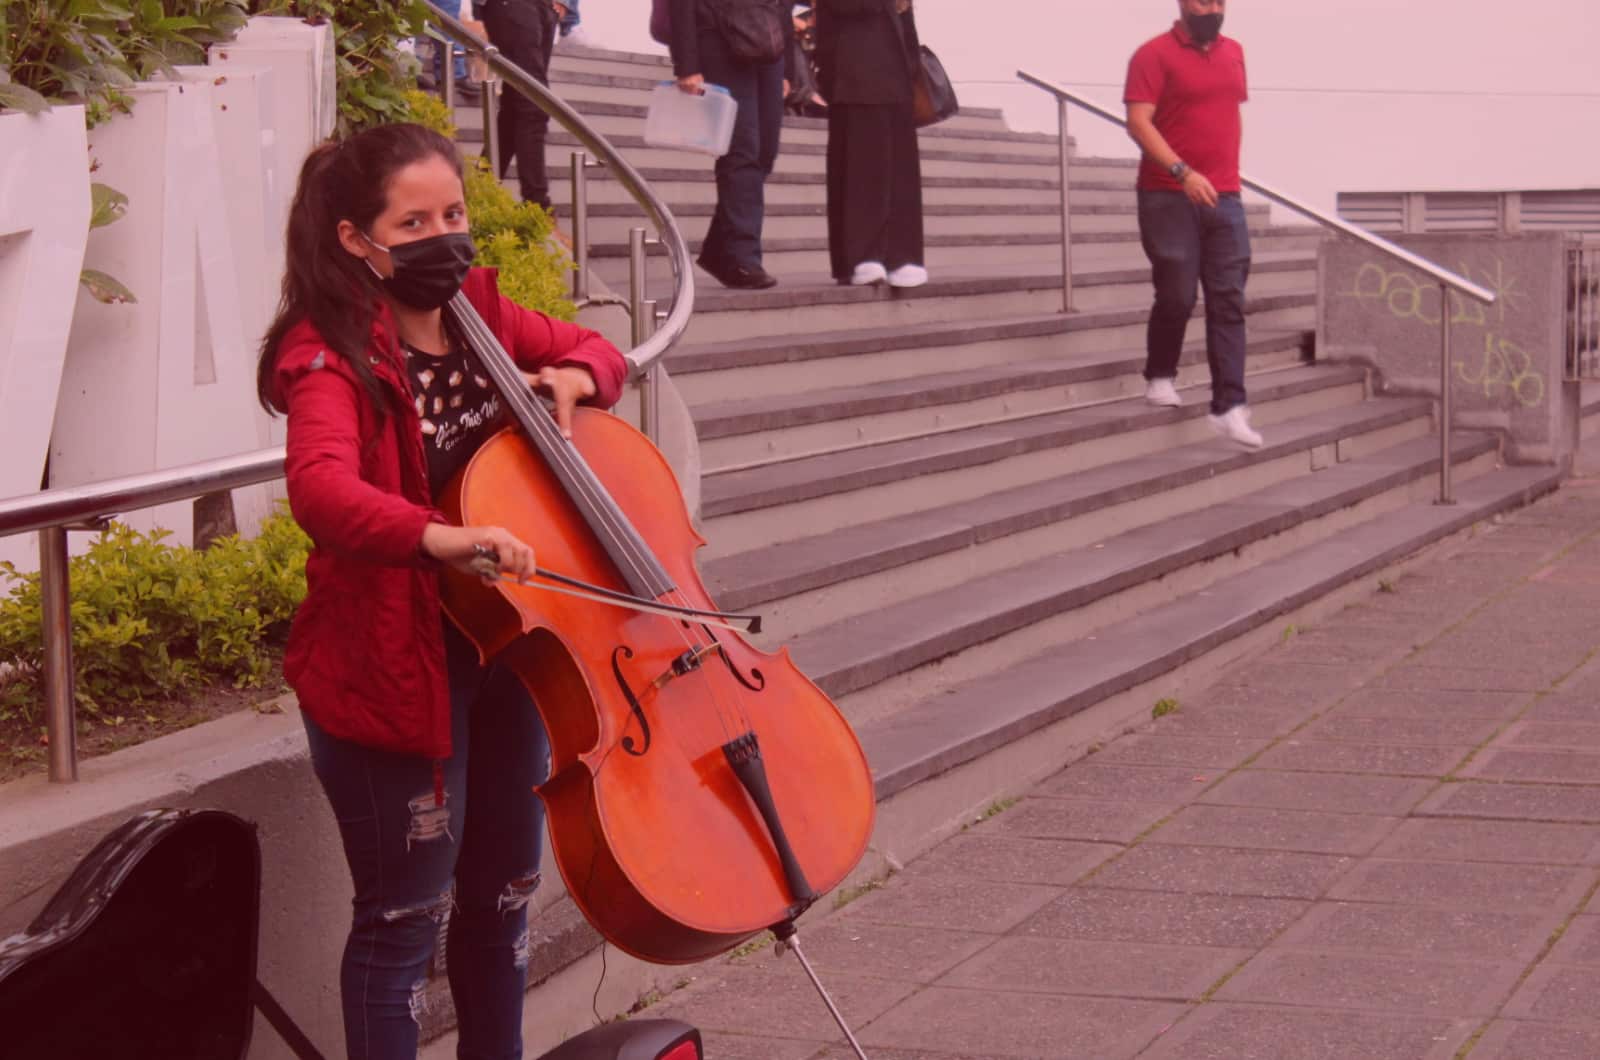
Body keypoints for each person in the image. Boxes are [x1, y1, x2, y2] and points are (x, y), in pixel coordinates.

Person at [255, 122, 627, 1059]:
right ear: (356, 240)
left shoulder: (483, 318)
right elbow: (324, 492)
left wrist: (577, 376)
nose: (444, 238)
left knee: (502, 897)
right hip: (387, 666)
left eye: (453, 213)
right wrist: (443, 537)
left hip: (508, 650)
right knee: (403, 918)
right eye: (413, 222)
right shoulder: (325, 352)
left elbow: (596, 347)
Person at [1124, 0, 1260, 448]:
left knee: (1228, 299)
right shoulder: (1151, 54)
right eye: (1204, 1)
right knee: (1178, 294)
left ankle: (1229, 407)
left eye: (1220, 1)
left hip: (1225, 195)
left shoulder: (1236, 50)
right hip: (1167, 193)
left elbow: (1227, 113)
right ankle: (1160, 374)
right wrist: (1183, 172)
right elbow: (1138, 122)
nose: (1213, 9)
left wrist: (1228, 177)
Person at [668, 0, 793, 290]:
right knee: (742, 149)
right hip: (719, 36)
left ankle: (720, 250)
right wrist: (686, 63)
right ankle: (742, 258)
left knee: (765, 152)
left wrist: (790, 65)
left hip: (767, 40)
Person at [814, 0, 927, 288]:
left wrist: (913, 63)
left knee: (900, 172)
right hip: (853, 71)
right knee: (861, 170)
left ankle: (901, 256)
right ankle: (861, 256)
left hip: (896, 71)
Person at [480, 0, 562, 210]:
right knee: (534, 104)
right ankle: (537, 205)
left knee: (515, 106)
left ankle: (480, 187)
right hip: (515, 5)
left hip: (545, 8)